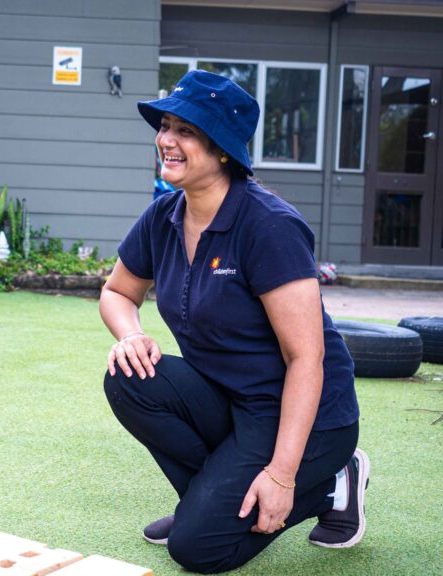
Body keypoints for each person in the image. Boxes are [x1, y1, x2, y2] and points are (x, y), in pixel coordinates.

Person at [100, 70, 368, 574]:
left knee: (198, 549)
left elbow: (305, 358)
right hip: (228, 398)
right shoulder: (163, 216)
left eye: (185, 131)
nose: (166, 140)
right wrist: (131, 334)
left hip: (306, 417)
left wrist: (283, 476)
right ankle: (207, 502)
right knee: (128, 376)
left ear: (222, 149)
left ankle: (331, 484)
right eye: (165, 127)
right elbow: (117, 292)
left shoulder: (269, 226)